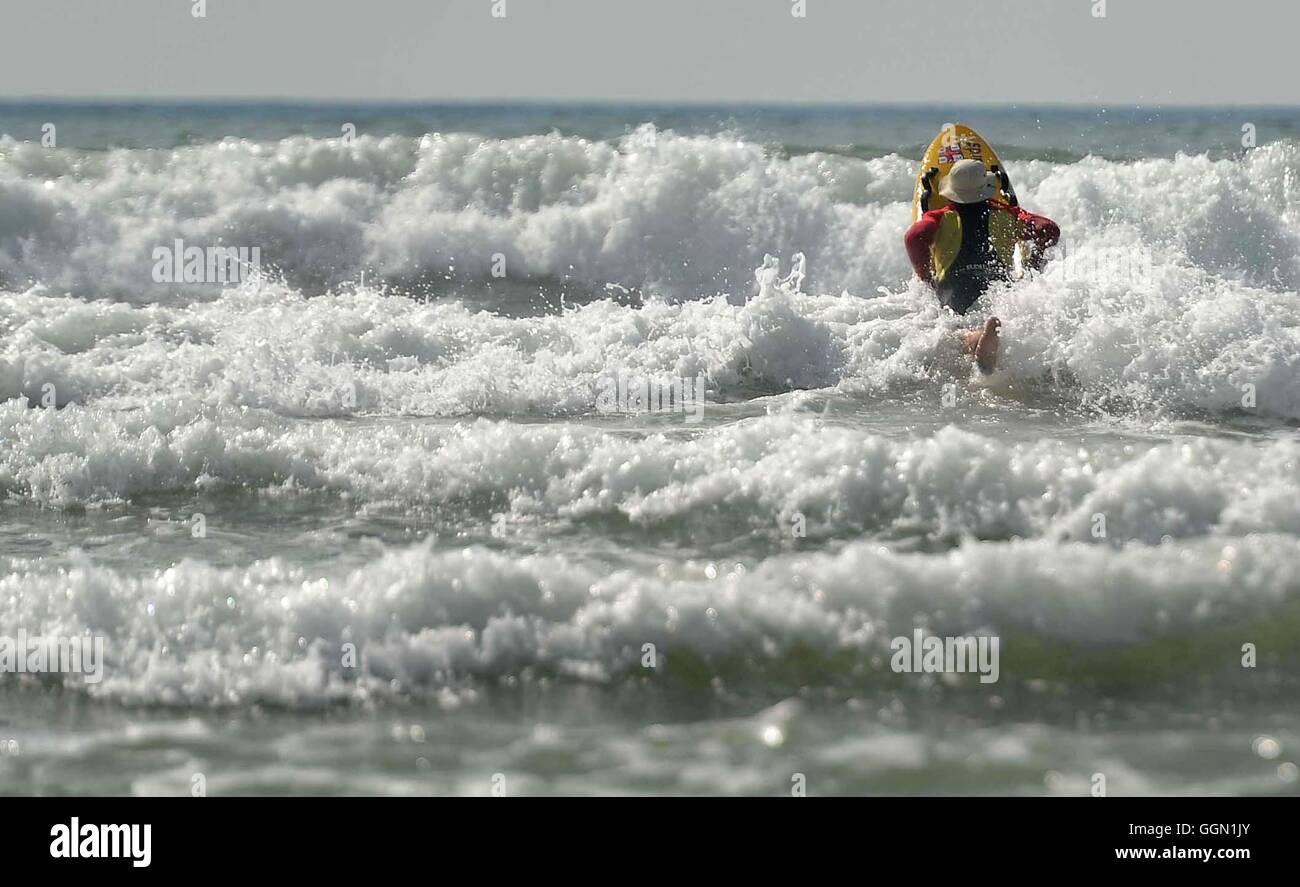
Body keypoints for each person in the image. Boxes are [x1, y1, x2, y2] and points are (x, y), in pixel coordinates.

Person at [903, 158, 1059, 373]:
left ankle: (975, 341)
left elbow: (914, 237)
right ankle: (989, 338)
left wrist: (925, 276)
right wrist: (1034, 264)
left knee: (955, 331)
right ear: (986, 189)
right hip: (997, 290)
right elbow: (1048, 229)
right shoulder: (1006, 216)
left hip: (955, 291)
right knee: (1001, 317)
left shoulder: (940, 218)